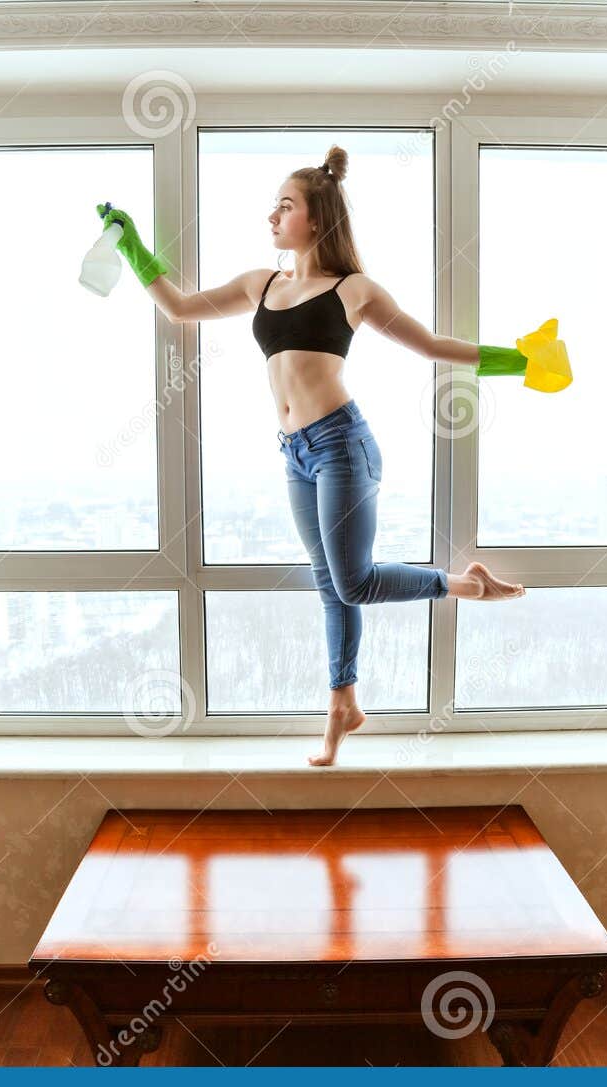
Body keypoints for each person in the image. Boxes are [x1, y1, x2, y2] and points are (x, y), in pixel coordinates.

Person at [96, 144, 540, 766]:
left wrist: (522, 360)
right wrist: (130, 243)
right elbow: (179, 307)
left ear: (317, 217)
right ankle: (342, 706)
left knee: (352, 582)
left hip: (342, 446)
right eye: (273, 207)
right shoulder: (262, 283)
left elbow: (434, 345)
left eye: (284, 206)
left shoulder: (353, 290)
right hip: (296, 454)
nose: (271, 217)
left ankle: (467, 587)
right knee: (332, 587)